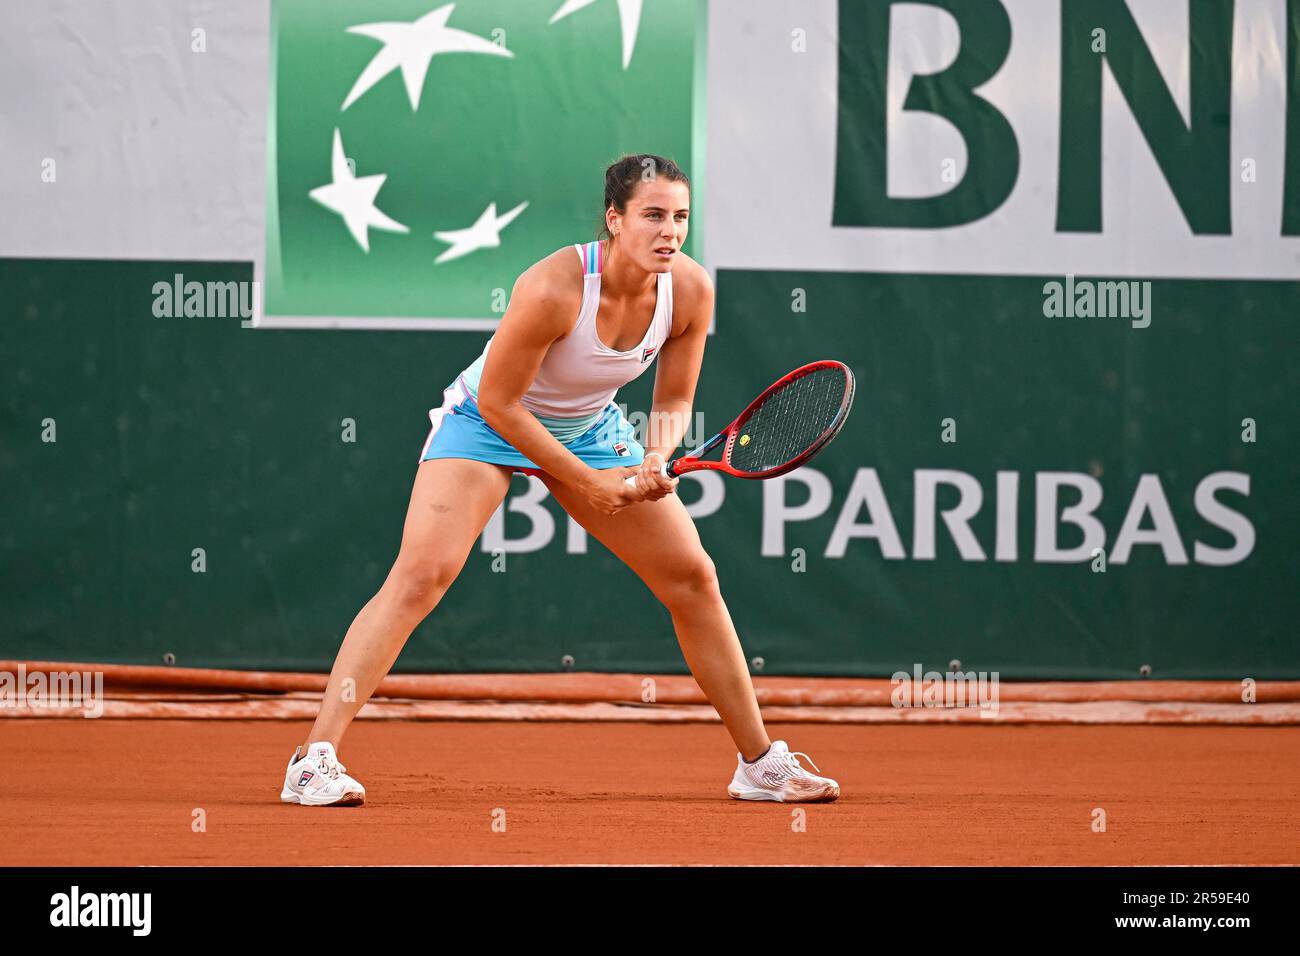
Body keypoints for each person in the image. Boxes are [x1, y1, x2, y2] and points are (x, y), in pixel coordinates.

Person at [280, 154, 840, 807]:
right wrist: (585, 481)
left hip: (590, 425)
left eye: (681, 217)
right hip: (487, 422)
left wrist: (656, 458)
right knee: (420, 577)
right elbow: (500, 402)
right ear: (615, 219)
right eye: (653, 215)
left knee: (693, 577)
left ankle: (760, 765)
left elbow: (673, 400)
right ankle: (312, 761)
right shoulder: (553, 288)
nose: (670, 231)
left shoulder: (689, 289)